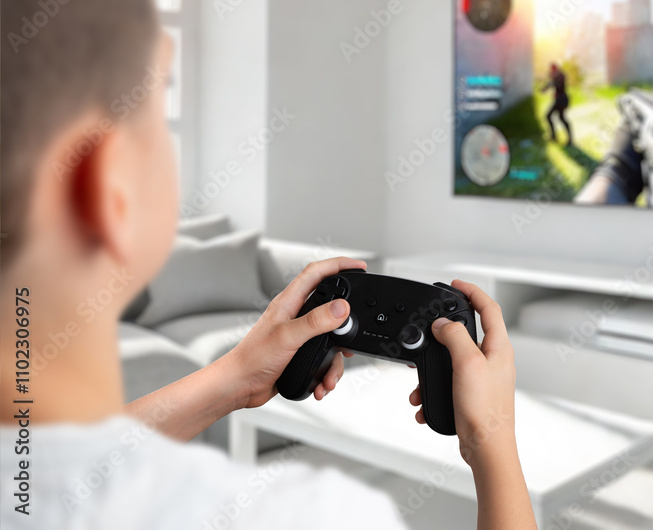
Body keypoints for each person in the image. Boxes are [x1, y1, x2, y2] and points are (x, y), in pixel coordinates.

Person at [0, 1, 535, 528]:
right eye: (156, 105)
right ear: (108, 187)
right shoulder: (315, 517)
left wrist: (233, 379)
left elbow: (54, 468)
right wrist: (494, 442)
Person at [542, 63, 573, 146]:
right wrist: (545, 88)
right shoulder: (557, 76)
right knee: (559, 117)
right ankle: (555, 136)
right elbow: (552, 83)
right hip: (560, 99)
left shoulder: (560, 75)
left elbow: (556, 83)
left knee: (555, 117)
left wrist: (548, 85)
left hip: (561, 100)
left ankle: (567, 139)